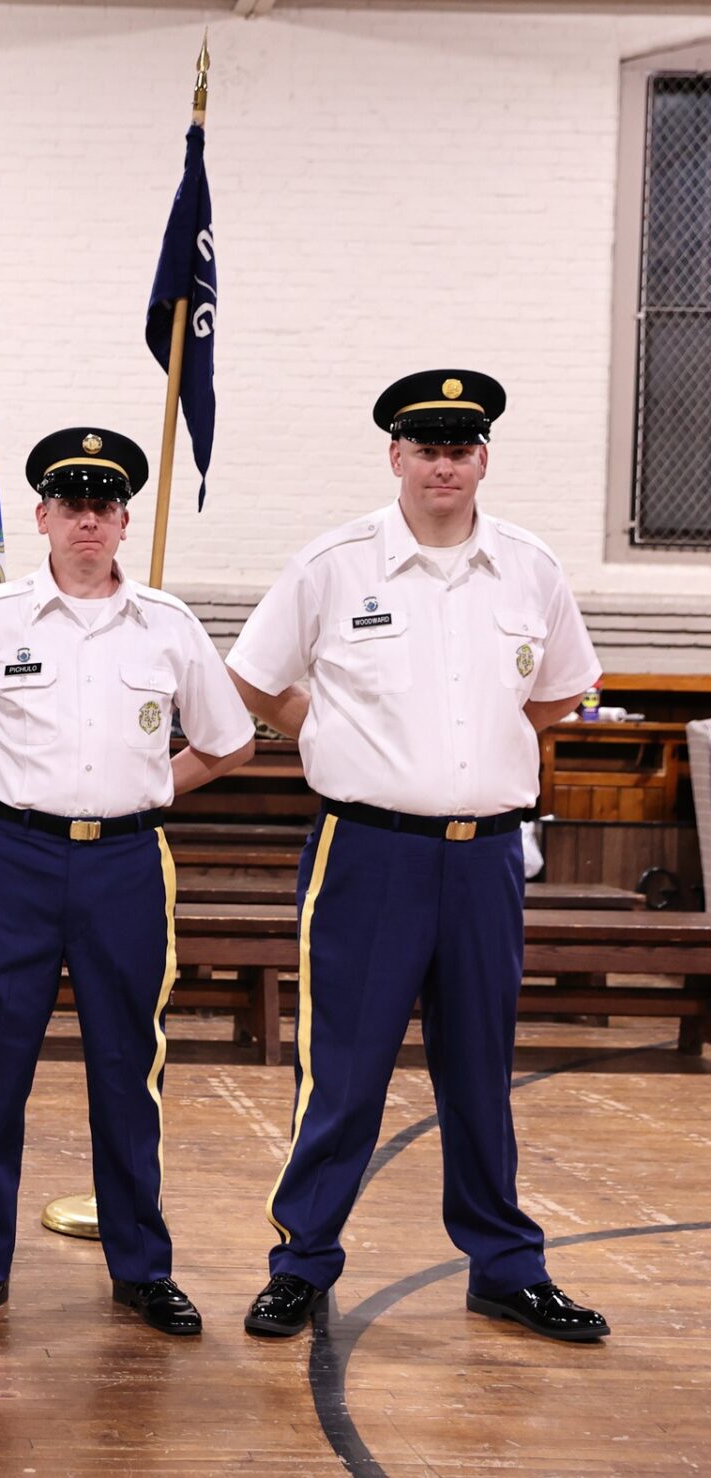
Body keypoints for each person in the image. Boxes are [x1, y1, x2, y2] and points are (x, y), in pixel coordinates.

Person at [227, 370, 610, 1343]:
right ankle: (303, 1261)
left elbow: (560, 691)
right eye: (426, 446)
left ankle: (504, 1265)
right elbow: (257, 678)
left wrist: (475, 748)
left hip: (482, 861)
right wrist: (335, 738)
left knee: (479, 1068)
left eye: (461, 446)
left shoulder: (530, 567)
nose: (444, 463)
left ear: (483, 456)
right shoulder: (335, 565)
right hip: (369, 853)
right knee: (343, 1070)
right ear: (394, 454)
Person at [0, 427, 255, 1335]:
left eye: (103, 506)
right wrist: (5, 788)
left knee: (126, 1070)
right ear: (41, 517)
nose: (87, 521)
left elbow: (228, 742)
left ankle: (141, 1268)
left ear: (124, 521)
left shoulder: (168, 626)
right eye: (71, 505)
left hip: (125, 866)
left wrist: (145, 791)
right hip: (14, 863)